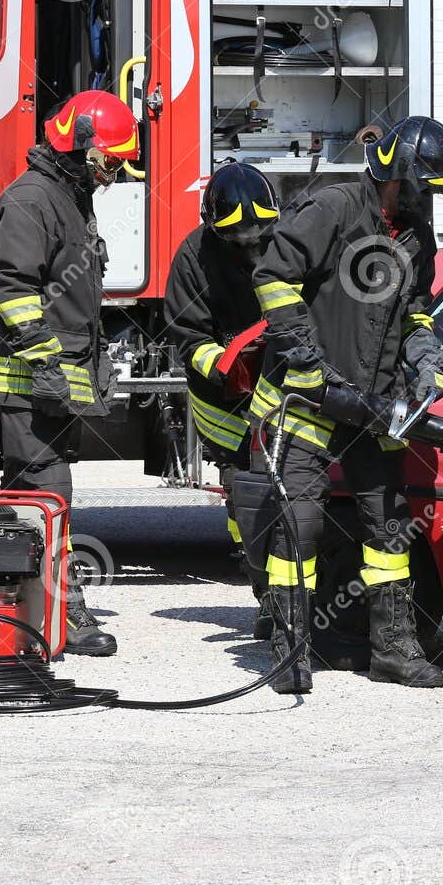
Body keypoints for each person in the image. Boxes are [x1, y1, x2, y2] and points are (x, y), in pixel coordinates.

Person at [250, 116, 443, 694]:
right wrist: (305, 358)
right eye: (428, 189)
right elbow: (273, 278)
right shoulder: (333, 209)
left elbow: (417, 311)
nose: (431, 202)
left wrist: (425, 359)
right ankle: (288, 647)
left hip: (377, 403)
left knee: (389, 525)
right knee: (302, 520)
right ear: (398, 175)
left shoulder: (417, 236)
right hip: (313, 397)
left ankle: (393, 648)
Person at [0, 89, 139, 657]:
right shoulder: (31, 201)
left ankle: (14, 602)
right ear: (79, 146)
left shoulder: (68, 197)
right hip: (30, 383)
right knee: (51, 496)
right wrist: (47, 361)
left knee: (26, 496)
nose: (114, 173)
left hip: (52, 382)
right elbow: (13, 292)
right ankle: (63, 612)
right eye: (111, 160)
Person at [164, 161, 281, 639]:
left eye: (259, 235)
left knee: (293, 495)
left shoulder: (286, 240)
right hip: (223, 404)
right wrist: (230, 364)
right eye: (240, 239)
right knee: (246, 499)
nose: (251, 246)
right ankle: (268, 597)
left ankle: (295, 594)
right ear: (214, 227)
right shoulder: (193, 257)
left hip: (280, 393)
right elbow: (187, 336)